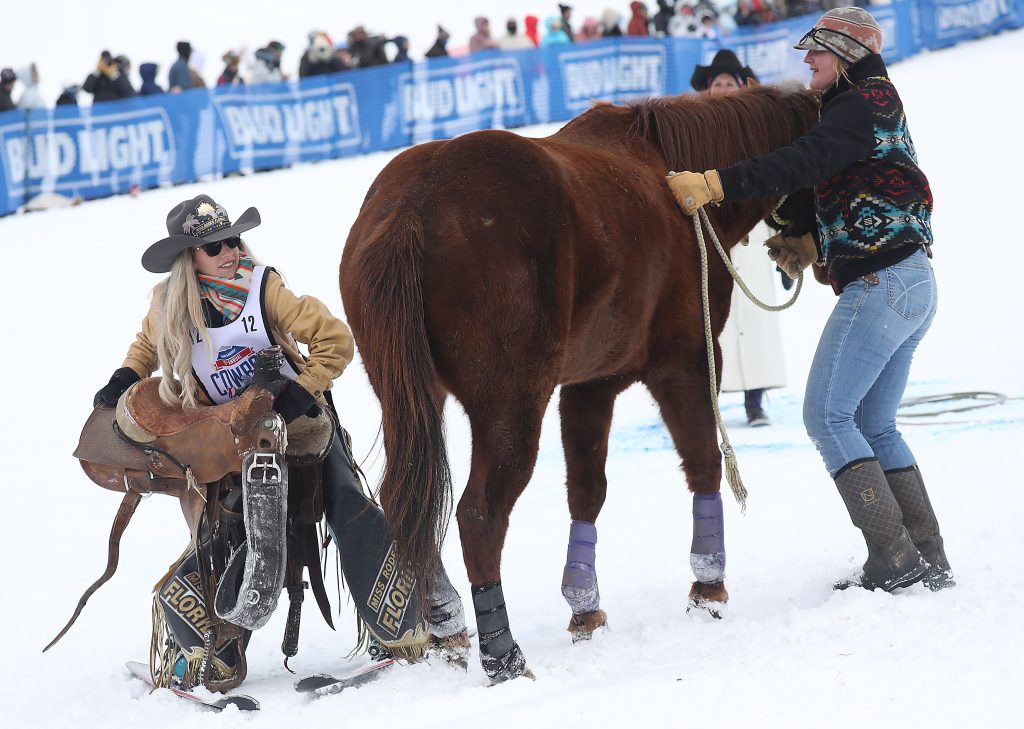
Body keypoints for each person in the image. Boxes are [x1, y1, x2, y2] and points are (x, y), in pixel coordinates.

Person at [92, 194, 469, 688]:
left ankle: (407, 628)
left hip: (300, 423)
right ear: (190, 258)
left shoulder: (261, 287)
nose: (229, 252)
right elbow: (147, 345)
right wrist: (126, 376)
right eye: (213, 247)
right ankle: (210, 651)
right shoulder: (170, 303)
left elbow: (335, 341)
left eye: (231, 240)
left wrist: (300, 393)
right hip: (229, 433)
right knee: (226, 525)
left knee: (345, 506)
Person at [667, 7, 951, 593]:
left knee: (826, 414)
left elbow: (804, 161)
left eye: (818, 48)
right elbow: (869, 187)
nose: (807, 59)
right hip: (911, 282)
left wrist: (719, 182)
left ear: (848, 52)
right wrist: (813, 239)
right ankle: (926, 553)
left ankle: (894, 559)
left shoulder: (859, 103)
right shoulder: (872, 104)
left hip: (882, 284)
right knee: (875, 422)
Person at [689, 49, 787, 427]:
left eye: (731, 83)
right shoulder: (694, 131)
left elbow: (777, 183)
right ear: (708, 90)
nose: (725, 90)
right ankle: (705, 404)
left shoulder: (758, 130)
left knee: (757, 319)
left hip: (755, 234)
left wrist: (784, 239)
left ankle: (755, 401)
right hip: (713, 236)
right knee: (710, 324)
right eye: (719, 84)